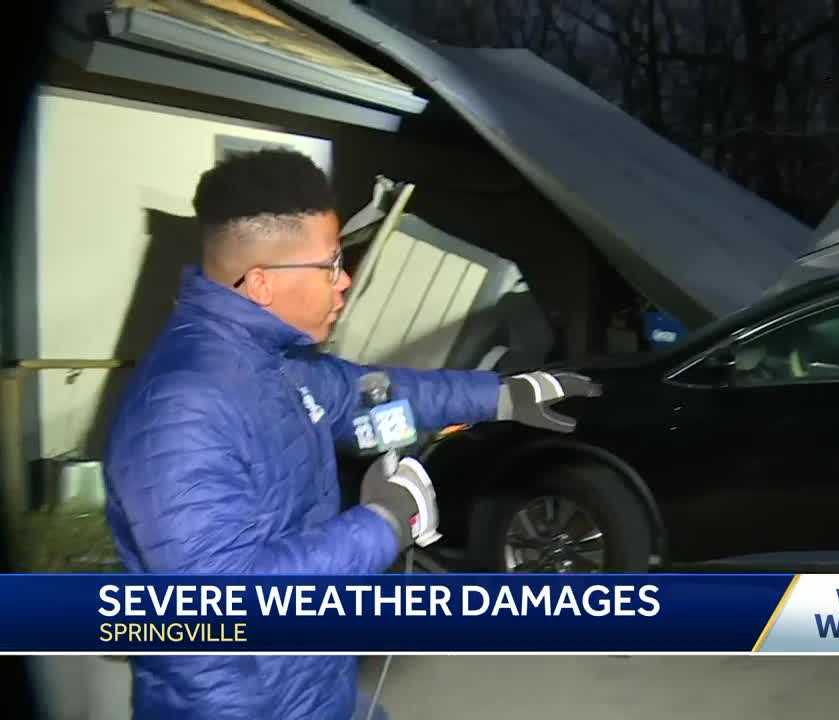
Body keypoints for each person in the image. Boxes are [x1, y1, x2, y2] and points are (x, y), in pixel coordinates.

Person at [103, 149, 599, 720]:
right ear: (261, 283)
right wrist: (382, 524)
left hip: (315, 687)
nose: (345, 281)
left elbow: (376, 394)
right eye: (331, 264)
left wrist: (503, 396)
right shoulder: (179, 410)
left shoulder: (279, 365)